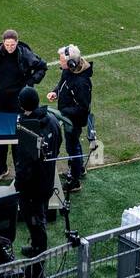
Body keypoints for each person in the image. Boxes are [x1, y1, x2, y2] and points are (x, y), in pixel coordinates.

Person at [0, 29, 48, 180]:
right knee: (0, 139)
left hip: (18, 104)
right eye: (7, 44)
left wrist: (30, 82)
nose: (10, 47)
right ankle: (1, 169)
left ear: (17, 42)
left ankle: (19, 169)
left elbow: (42, 66)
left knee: (18, 139)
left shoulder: (25, 54)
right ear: (3, 42)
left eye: (12, 44)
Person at [13, 87, 61, 257]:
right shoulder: (53, 120)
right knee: (40, 216)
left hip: (32, 187)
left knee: (35, 221)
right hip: (46, 180)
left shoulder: (28, 129)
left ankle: (38, 259)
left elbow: (24, 163)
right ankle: (36, 246)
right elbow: (58, 145)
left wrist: (19, 184)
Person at [48, 44, 92, 189]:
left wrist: (64, 112)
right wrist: (56, 92)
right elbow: (63, 84)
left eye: (62, 60)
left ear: (71, 63)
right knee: (73, 145)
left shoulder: (82, 83)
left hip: (73, 120)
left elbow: (83, 108)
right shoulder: (69, 71)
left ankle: (74, 181)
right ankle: (78, 169)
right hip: (68, 116)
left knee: (72, 147)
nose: (60, 62)